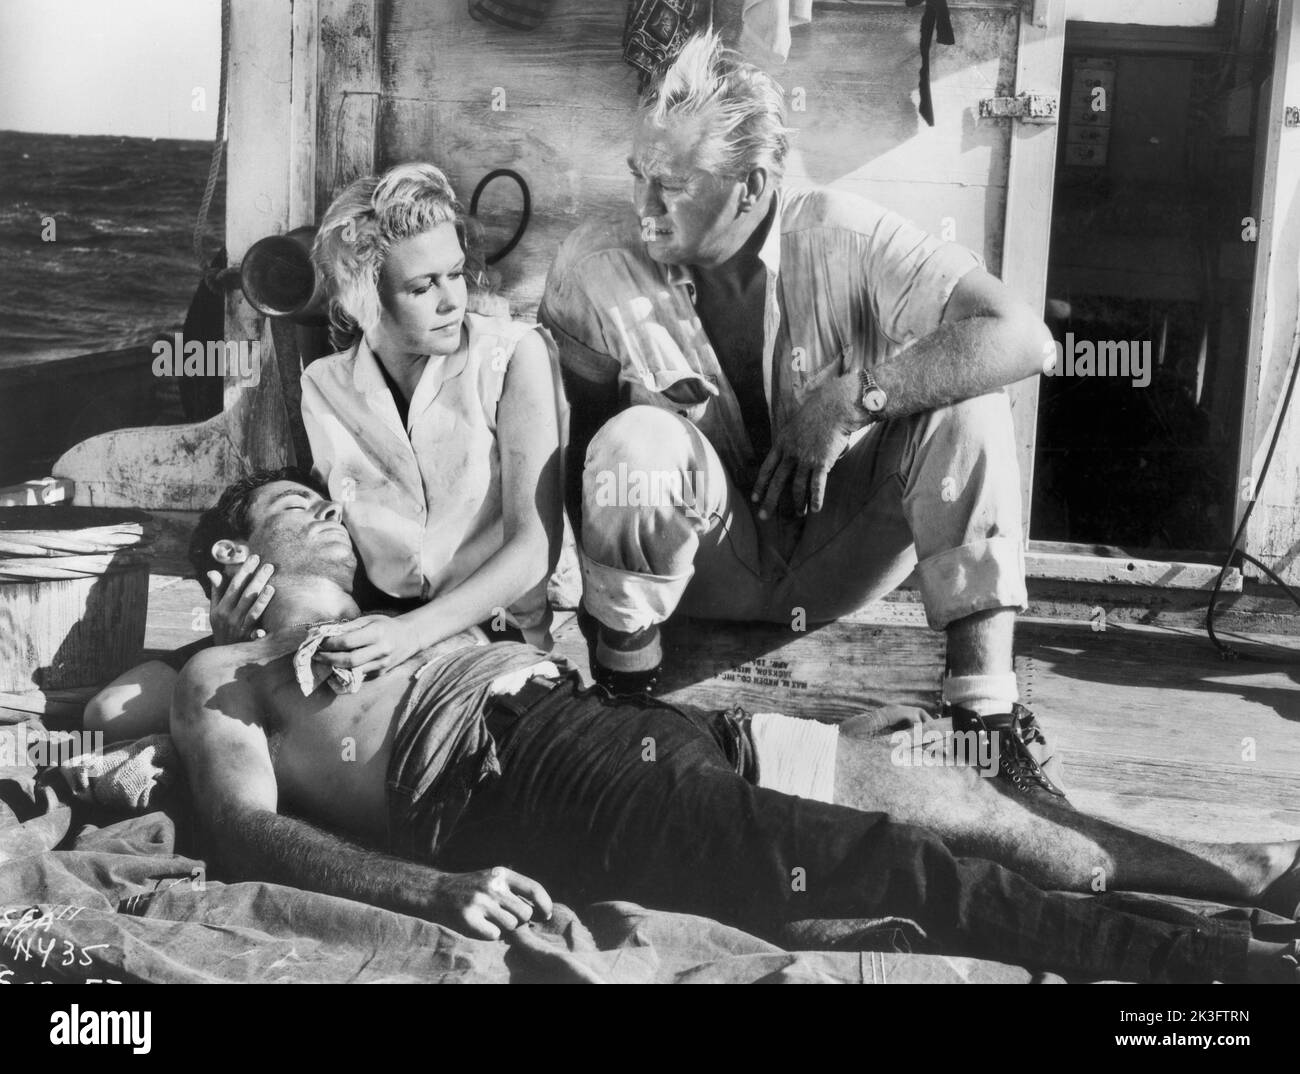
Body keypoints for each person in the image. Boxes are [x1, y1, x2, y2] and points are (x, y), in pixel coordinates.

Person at [170, 469, 1300, 983]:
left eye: (324, 500)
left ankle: (1243, 874)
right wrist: (429, 893)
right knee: (887, 869)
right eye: (290, 509)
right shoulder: (225, 672)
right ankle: (1214, 968)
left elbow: (517, 541)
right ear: (232, 559)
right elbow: (237, 827)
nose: (323, 513)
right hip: (527, 776)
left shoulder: (398, 617)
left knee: (957, 802)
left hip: (616, 721)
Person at [539, 31, 1059, 799]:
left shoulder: (844, 233)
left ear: (750, 187)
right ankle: (628, 708)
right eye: (637, 176)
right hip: (702, 571)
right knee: (631, 442)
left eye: (672, 185)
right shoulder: (594, 270)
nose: (642, 206)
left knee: (967, 399)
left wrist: (855, 398)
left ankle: (988, 725)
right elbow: (565, 452)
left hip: (840, 555)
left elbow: (1023, 337)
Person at [84, 163, 566, 738]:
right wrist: (239, 636)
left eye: (456, 274)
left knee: (299, 725)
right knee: (115, 712)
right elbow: (331, 549)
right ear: (367, 299)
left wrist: (411, 634)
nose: (451, 301)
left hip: (484, 630)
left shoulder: (515, 356)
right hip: (371, 622)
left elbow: (535, 549)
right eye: (422, 286)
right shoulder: (324, 387)